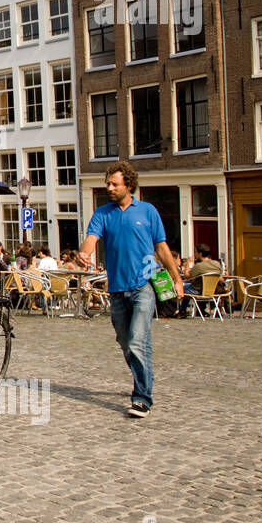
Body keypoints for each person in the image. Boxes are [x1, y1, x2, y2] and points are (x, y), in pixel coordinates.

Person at [78, 161, 182, 418]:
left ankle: (142, 397)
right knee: (127, 344)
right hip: (116, 290)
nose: (109, 187)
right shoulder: (103, 213)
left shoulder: (147, 211)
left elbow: (162, 249)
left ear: (129, 185)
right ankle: (145, 378)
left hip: (143, 286)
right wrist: (84, 253)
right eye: (107, 183)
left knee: (137, 340)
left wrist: (177, 279)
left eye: (114, 184)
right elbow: (91, 239)